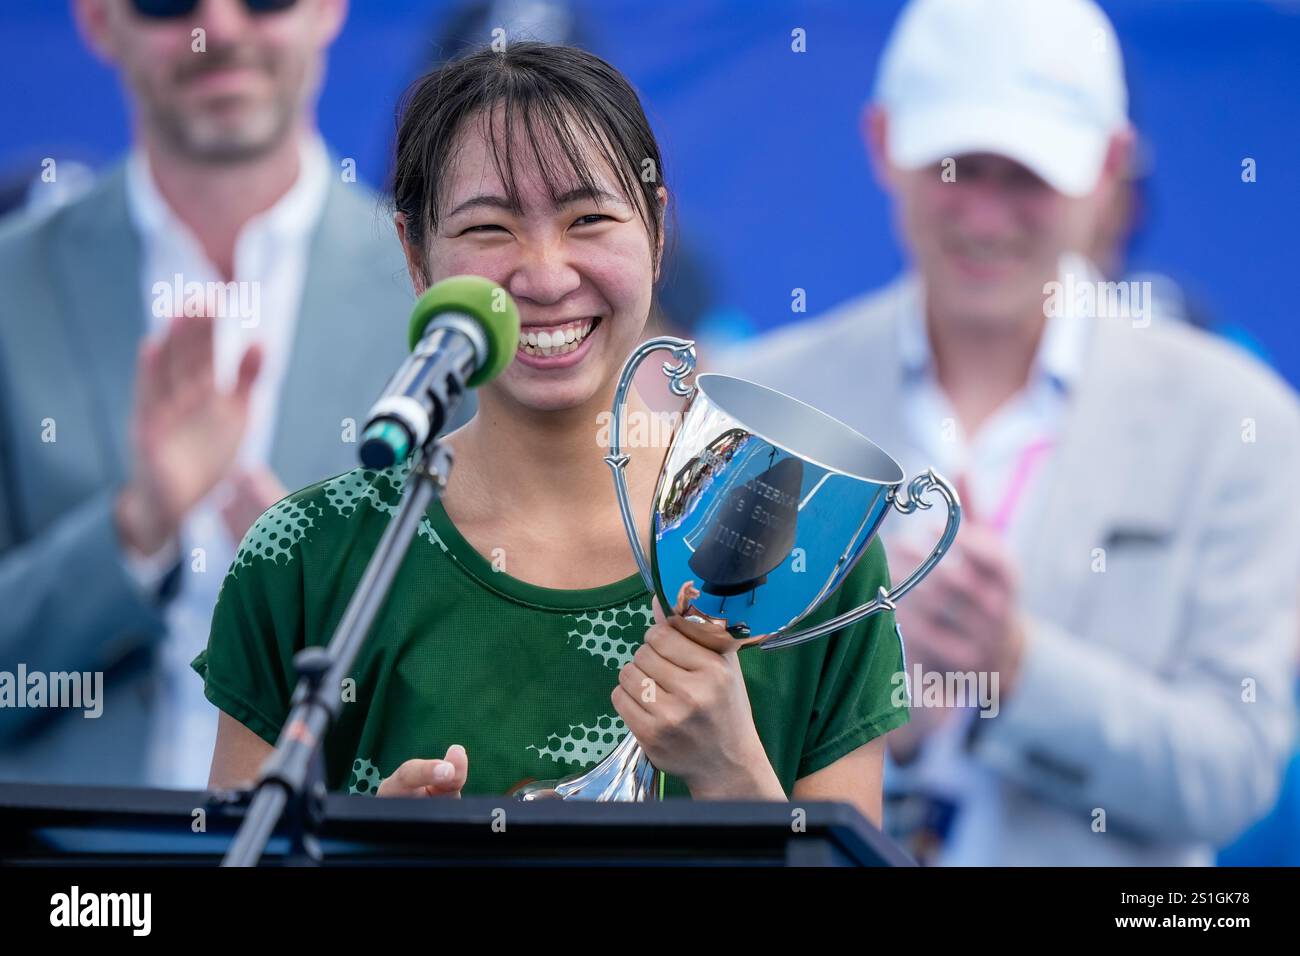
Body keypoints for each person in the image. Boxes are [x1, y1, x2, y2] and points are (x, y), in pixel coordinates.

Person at [197, 40, 909, 824]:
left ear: (658, 231)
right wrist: (365, 848)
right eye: (490, 229)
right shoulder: (305, 555)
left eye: (589, 219)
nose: (544, 275)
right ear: (414, 253)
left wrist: (732, 773)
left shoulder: (809, 548)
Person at [715, 0, 1300, 864]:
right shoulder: (767, 395)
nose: (986, 217)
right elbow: (688, 719)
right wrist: (868, 692)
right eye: (955, 168)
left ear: (1108, 171)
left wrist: (1017, 666)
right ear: (882, 144)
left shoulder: (1234, 420)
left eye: (1027, 176)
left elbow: (1234, 769)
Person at [0, 0, 470, 789]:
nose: (216, 28)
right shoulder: (14, 284)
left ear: (327, 9)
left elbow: (491, 678)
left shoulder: (443, 300)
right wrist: (132, 530)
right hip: (68, 871)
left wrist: (322, 598)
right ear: (93, 19)